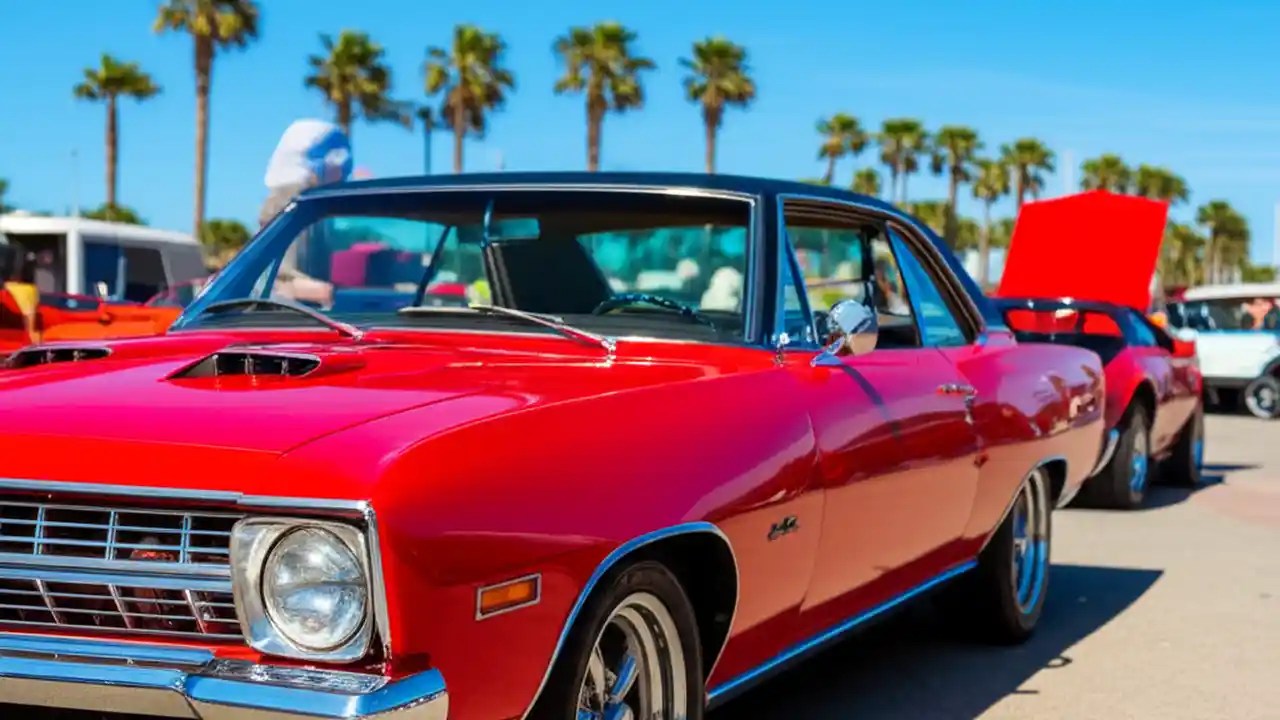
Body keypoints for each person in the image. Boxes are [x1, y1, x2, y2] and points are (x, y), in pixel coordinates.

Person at [258, 120, 353, 306]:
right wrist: (331, 294)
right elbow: (284, 283)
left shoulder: (315, 207)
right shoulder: (295, 205)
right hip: (291, 317)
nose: (344, 171)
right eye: (337, 161)